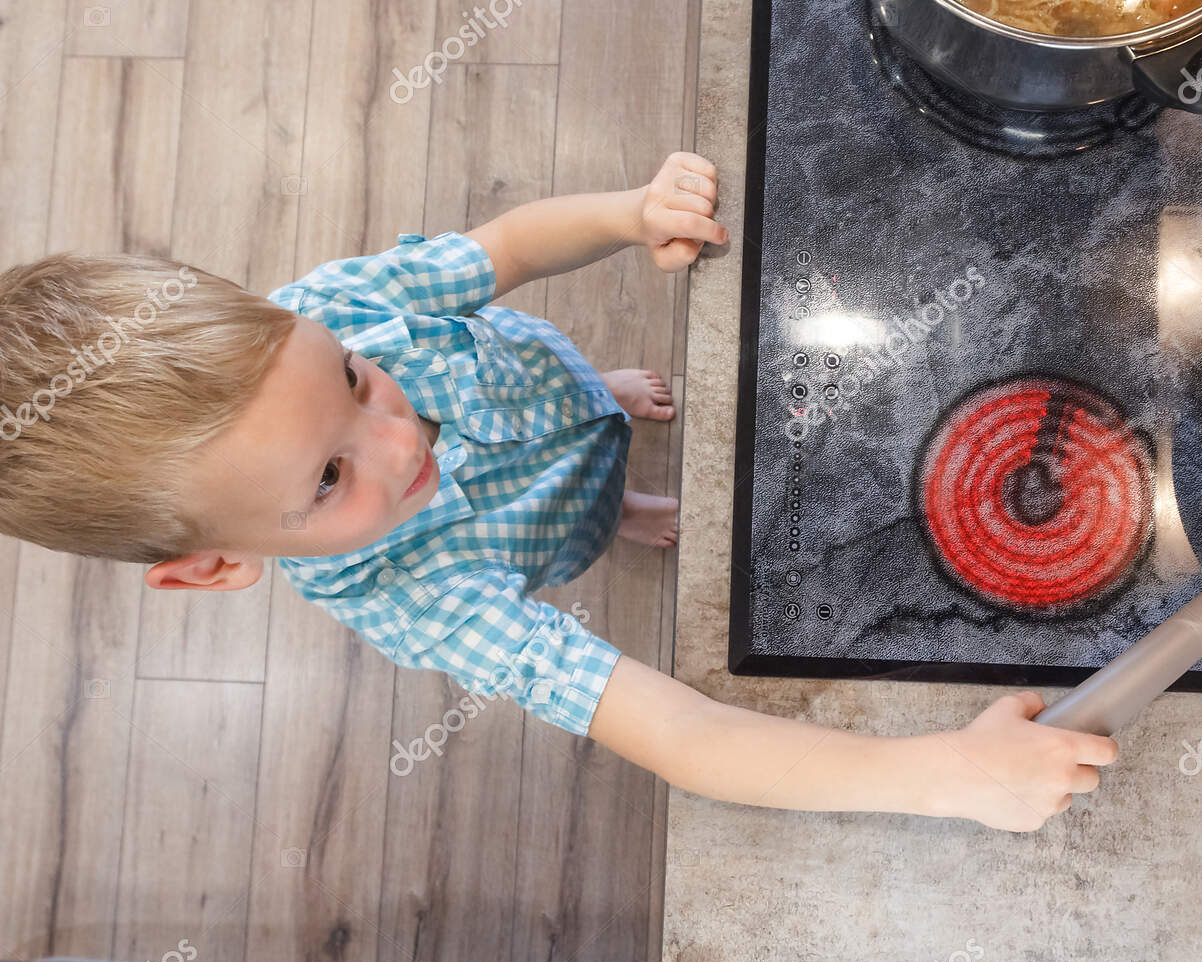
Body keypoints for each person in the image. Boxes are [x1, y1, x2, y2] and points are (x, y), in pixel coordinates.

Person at [0, 151, 1115, 831]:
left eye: (350, 378)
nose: (399, 437)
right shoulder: (423, 601)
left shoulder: (339, 303)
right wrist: (945, 777)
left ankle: (605, 403)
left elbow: (502, 252)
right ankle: (622, 512)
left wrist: (628, 215)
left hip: (547, 380)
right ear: (214, 565)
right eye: (330, 477)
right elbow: (685, 740)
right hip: (549, 528)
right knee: (594, 519)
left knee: (586, 394)